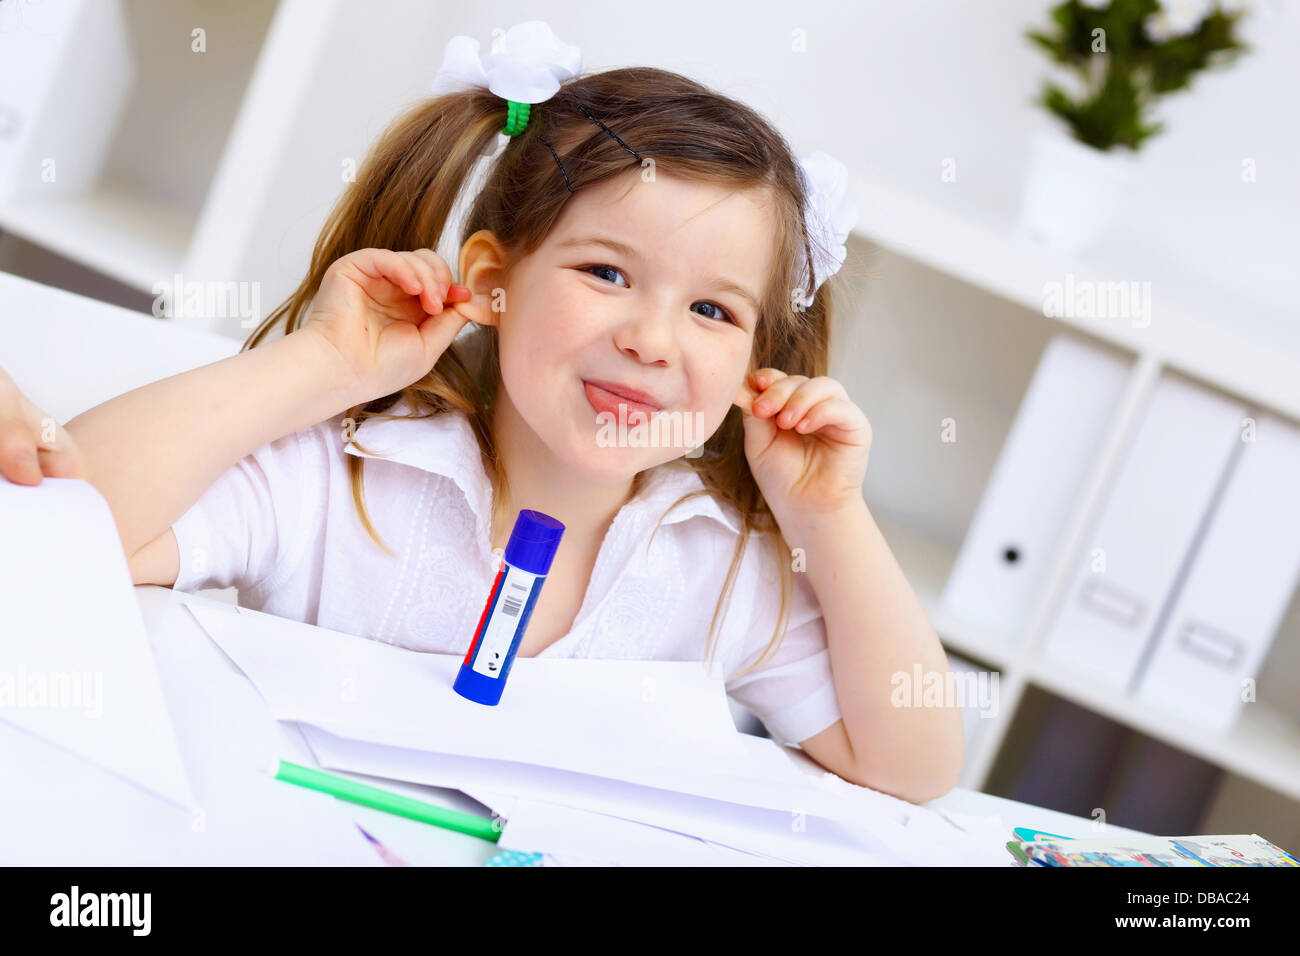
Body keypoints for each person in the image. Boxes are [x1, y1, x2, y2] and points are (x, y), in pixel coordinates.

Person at [6, 22, 963, 802]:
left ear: (756, 363)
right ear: (492, 283)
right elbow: (59, 527)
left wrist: (828, 518)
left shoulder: (719, 566)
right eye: (606, 272)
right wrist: (322, 365)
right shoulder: (344, 478)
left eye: (712, 310)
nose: (652, 339)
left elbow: (911, 767)